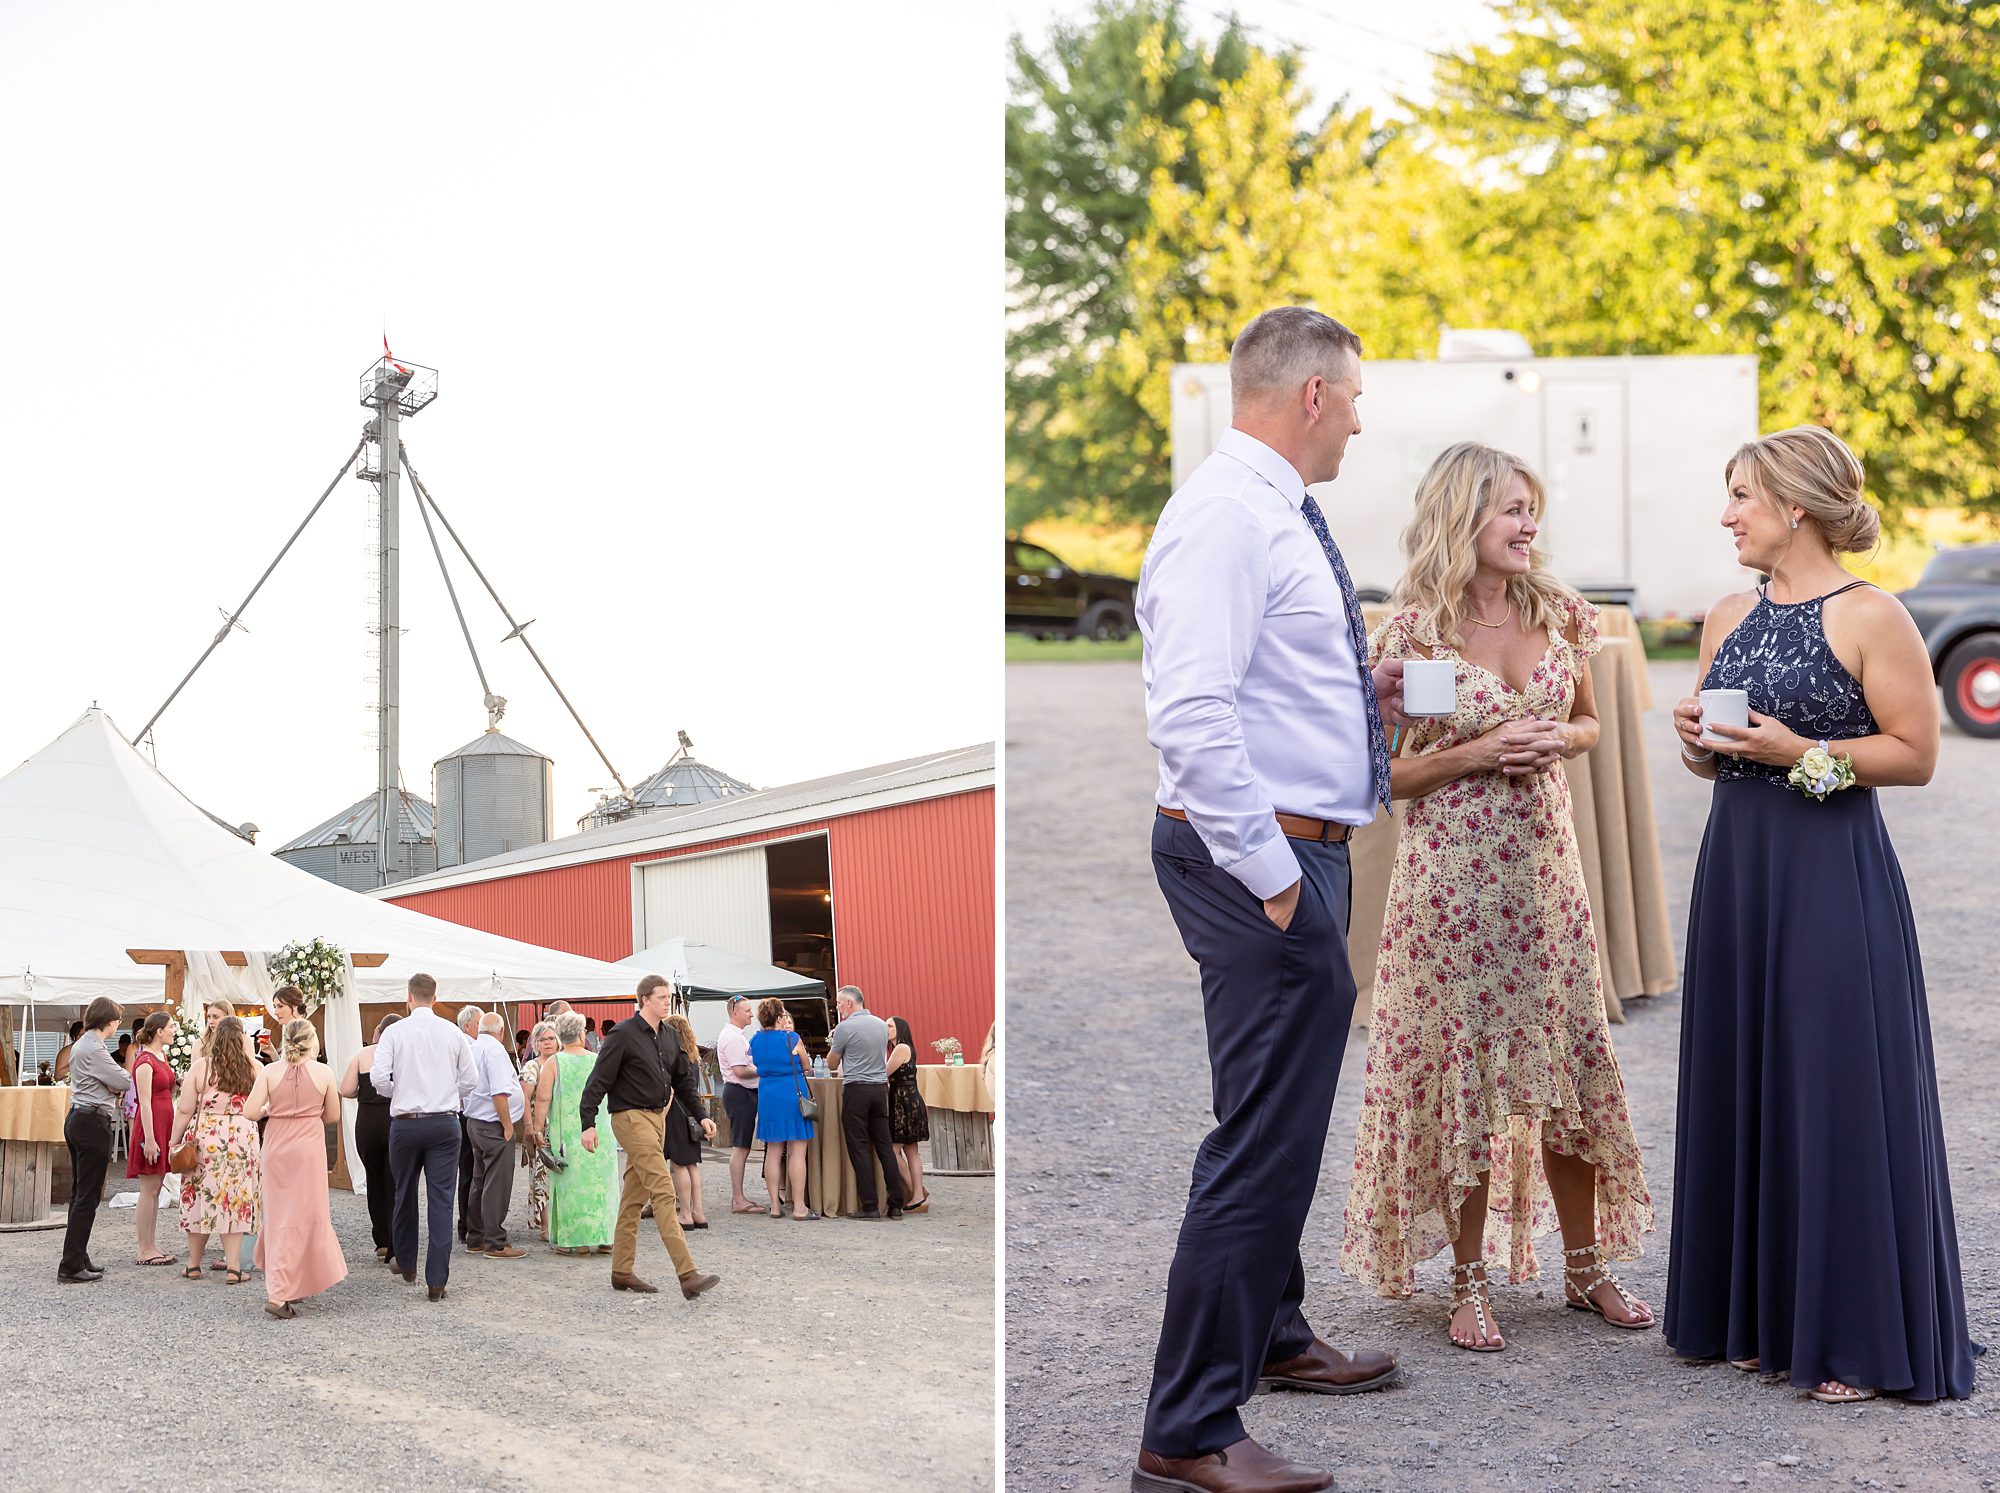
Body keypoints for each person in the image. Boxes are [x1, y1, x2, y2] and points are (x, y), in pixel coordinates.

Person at [1131, 307, 1407, 1493]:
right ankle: (1187, 1427)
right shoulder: (1224, 517)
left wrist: (1356, 691)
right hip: (1259, 859)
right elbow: (1190, 715)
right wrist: (1279, 883)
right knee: (1259, 1136)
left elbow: (1256, 683)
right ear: (1309, 395)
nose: (1358, 419)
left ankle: (1272, 1329)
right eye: (1353, 396)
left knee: (1274, 1110)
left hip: (1290, 848)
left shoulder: (1270, 509)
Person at [1663, 426, 1978, 1404]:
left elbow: (1914, 755)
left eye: (1741, 497)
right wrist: (1695, 738)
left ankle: (1849, 1332)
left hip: (1828, 873)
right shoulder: (1726, 614)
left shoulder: (1871, 613)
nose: (1726, 515)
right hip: (1737, 872)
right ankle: (1755, 1316)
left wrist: (1799, 750)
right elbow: (1713, 758)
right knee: (1746, 1070)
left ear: (1794, 505)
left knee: (1830, 1083)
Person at [1337, 442, 1654, 1351]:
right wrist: (1476, 752)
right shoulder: (1412, 633)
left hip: (1547, 877)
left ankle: (1587, 1267)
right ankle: (1468, 1280)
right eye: (1512, 508)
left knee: (1568, 1064)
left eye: (1531, 508)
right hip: (1453, 889)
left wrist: (1560, 738)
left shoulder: (1559, 610)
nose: (1528, 524)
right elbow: (1382, 776)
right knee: (1468, 1076)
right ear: (1461, 516)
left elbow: (1589, 720)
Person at [576, 975, 720, 1298]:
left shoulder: (670, 1036)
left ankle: (621, 1271)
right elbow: (598, 1080)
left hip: (658, 1120)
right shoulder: (622, 1034)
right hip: (629, 1118)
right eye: (661, 997)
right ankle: (687, 1274)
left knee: (633, 1198)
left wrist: (702, 1116)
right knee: (664, 1190)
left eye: (668, 997)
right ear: (644, 1000)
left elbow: (683, 1083)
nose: (667, 1002)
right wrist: (588, 1123)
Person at [372, 974, 477, 1302]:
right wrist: (450, 1094)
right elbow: (471, 1078)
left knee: (404, 1192)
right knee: (441, 1200)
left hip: (406, 1123)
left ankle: (406, 1262)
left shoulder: (394, 1032)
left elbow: (378, 1078)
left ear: (408, 997)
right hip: (444, 1123)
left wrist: (399, 1092)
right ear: (435, 998)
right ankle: (436, 1281)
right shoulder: (452, 1031)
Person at [244, 1019, 346, 1319]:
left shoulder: (270, 1071)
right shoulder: (324, 1072)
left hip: (277, 1146)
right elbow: (333, 1116)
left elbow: (250, 1111)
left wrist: (271, 1109)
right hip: (308, 1148)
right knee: (306, 1215)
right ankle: (279, 1293)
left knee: (279, 1216)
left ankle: (290, 1284)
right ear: (312, 1041)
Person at [169, 1015, 261, 1286]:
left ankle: (193, 1264)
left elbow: (185, 1109)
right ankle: (234, 1268)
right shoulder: (254, 1067)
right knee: (235, 1200)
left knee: (199, 1197)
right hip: (242, 1138)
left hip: (207, 1138)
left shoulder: (202, 1067)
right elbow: (263, 1105)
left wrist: (174, 1141)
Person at [58, 998, 129, 1282]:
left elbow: (113, 1081)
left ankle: (78, 1256)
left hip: (79, 1116)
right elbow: (123, 1080)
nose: (118, 1025)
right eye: (117, 1021)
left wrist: (110, 1084)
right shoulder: (95, 1048)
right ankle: (71, 1264)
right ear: (109, 1021)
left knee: (80, 1194)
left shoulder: (82, 1044)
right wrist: (112, 1085)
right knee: (87, 1196)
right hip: (91, 1121)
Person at [534, 1011, 616, 1255]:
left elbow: (543, 1098)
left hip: (568, 1133)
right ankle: (606, 1237)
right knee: (602, 1184)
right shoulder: (598, 1059)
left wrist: (537, 1129)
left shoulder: (554, 1063)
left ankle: (577, 1241)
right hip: (600, 1130)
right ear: (582, 1034)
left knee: (572, 1184)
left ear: (560, 1036)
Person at [827, 986, 905, 1221]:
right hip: (879, 1088)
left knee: (859, 1146)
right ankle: (896, 1203)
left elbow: (832, 1064)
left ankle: (870, 1205)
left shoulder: (844, 1028)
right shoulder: (881, 1025)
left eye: (839, 1003)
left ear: (849, 1003)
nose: (838, 1007)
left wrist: (835, 1045)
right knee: (884, 1145)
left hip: (857, 1088)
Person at [339, 1012, 401, 1268]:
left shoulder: (362, 1055)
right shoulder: (403, 1053)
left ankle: (381, 1240)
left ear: (379, 1031)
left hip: (366, 1121)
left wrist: (365, 1092)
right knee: (394, 1181)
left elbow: (345, 1090)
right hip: (394, 1120)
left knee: (374, 1180)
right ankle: (396, 1243)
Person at [466, 1011, 527, 1259]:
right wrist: (508, 1125)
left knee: (480, 1180)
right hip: (493, 1124)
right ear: (501, 1032)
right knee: (497, 1184)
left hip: (475, 1121)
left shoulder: (473, 1047)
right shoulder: (495, 1051)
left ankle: (476, 1236)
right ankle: (495, 1242)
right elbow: (499, 1092)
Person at [751, 998, 816, 1221]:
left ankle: (774, 1205)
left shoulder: (755, 1040)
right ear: (780, 1017)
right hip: (791, 1094)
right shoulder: (792, 1038)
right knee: (797, 1151)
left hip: (768, 1095)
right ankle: (799, 1207)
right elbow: (806, 1065)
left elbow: (757, 1064)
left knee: (773, 1151)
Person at [126, 1011, 179, 1267]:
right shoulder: (145, 1061)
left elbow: (167, 1088)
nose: (174, 1031)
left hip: (163, 1123)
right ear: (159, 1031)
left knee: (156, 1188)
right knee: (149, 1188)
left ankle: (151, 1244)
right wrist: (149, 1139)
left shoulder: (161, 1056)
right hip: (151, 1126)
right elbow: (144, 1102)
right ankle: (144, 1248)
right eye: (171, 1027)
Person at [661, 1014, 714, 1230]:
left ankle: (684, 1213)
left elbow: (671, 1091)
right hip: (691, 1113)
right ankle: (698, 1212)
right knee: (692, 1165)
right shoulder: (692, 1057)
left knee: (679, 1165)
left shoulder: (673, 1057)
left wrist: (661, 1115)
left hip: (675, 1113)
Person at [713, 994, 762, 1213]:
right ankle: (738, 1199)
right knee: (741, 1146)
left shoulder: (736, 1035)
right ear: (735, 1013)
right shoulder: (732, 1037)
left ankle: (739, 1198)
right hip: (740, 1092)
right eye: (747, 1010)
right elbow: (740, 1071)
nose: (751, 1014)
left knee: (743, 1146)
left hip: (742, 1092)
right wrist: (765, 1070)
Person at [517, 1021, 559, 1242]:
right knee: (542, 1175)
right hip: (540, 1128)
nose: (548, 1043)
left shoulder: (563, 1062)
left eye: (551, 1038)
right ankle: (545, 1225)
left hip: (563, 1128)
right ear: (536, 1043)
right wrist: (529, 1127)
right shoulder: (532, 1067)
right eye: (543, 1039)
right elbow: (524, 1098)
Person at [885, 1015, 931, 1213]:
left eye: (890, 1026)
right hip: (909, 1100)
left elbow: (884, 1072)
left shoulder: (901, 1048)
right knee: (911, 1151)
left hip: (903, 1102)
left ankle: (916, 1192)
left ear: (900, 1029)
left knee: (893, 1150)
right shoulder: (904, 1048)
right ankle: (918, 1194)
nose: (886, 1029)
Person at [452, 1005, 483, 1245]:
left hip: (462, 1111)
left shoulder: (461, 1043)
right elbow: (469, 1080)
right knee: (470, 1169)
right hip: (466, 1113)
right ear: (468, 1025)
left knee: (468, 1169)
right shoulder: (468, 1046)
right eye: (479, 1023)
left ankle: (467, 1223)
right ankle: (468, 1224)